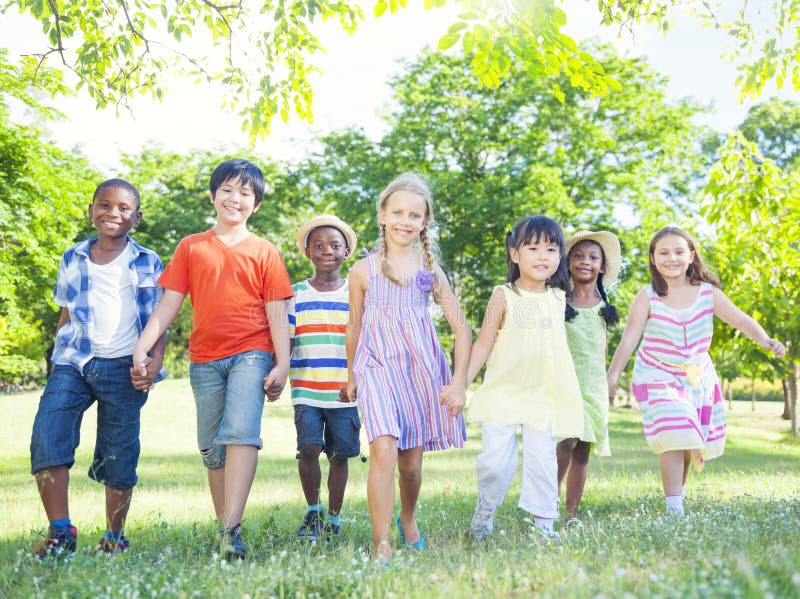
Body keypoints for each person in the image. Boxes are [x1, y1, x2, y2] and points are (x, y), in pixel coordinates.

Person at [132, 159, 293, 558]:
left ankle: (232, 531)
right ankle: (225, 527)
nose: (235, 198)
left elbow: (276, 312)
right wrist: (143, 344)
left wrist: (282, 363)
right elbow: (169, 304)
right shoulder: (191, 246)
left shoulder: (266, 251)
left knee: (240, 431)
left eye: (245, 193)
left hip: (252, 353)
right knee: (212, 446)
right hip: (204, 359)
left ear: (255, 205)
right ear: (212, 195)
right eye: (227, 190)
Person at [607, 225, 786, 516]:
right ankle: (674, 509)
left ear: (691, 256)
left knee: (689, 437)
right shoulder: (647, 296)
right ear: (653, 259)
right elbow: (629, 338)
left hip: (696, 376)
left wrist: (766, 340)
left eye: (679, 251)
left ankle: (679, 496)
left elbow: (740, 320)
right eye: (663, 252)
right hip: (657, 374)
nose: (671, 258)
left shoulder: (707, 293)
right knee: (676, 429)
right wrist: (612, 376)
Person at [30, 178, 166, 558]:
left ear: (136, 217)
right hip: (73, 363)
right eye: (104, 205)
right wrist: (56, 361)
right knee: (47, 435)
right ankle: (60, 533)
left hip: (125, 367)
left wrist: (154, 361)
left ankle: (114, 538)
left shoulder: (147, 260)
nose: (113, 213)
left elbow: (160, 317)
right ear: (91, 211)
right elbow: (66, 312)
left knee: (119, 453)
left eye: (124, 208)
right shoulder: (72, 257)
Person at [344, 173, 471, 562]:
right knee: (383, 448)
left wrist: (460, 383)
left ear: (424, 222)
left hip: (419, 372)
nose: (405, 220)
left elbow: (462, 330)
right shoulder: (362, 271)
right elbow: (354, 326)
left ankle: (408, 518)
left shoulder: (429, 272)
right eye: (397, 211)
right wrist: (351, 373)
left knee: (411, 467)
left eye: (415, 214)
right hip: (376, 367)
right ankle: (381, 544)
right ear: (382, 215)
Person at [466, 215, 584, 542]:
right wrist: (460, 385)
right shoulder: (503, 295)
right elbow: (483, 344)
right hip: (504, 392)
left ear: (560, 256)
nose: (542, 256)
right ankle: (485, 512)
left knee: (543, 462)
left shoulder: (559, 298)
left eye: (550, 248)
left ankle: (544, 527)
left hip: (543, 397)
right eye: (532, 248)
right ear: (514, 254)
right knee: (494, 464)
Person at [289, 214, 360, 541]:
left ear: (347, 252)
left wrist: (357, 379)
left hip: (345, 391)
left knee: (340, 454)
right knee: (309, 448)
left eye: (334, 245)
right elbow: (287, 339)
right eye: (318, 245)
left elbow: (365, 341)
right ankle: (313, 511)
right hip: (306, 387)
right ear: (308, 252)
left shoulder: (356, 294)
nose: (326, 250)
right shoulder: (295, 295)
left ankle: (334, 516)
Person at [557, 230, 621, 528]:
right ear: (568, 262)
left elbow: (602, 349)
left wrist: (610, 380)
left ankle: (571, 513)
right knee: (565, 442)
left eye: (593, 257)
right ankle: (545, 503)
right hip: (564, 383)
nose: (585, 261)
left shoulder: (602, 307)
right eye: (579, 256)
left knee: (583, 448)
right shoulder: (559, 301)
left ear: (603, 267)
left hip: (592, 385)